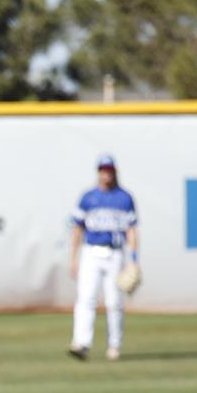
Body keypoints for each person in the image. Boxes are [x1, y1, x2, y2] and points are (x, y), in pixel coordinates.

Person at [68, 154, 140, 361]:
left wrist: (134, 259)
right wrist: (73, 258)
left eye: (109, 170)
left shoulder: (124, 198)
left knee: (114, 301)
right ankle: (81, 343)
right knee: (86, 298)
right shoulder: (88, 197)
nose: (106, 173)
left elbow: (132, 230)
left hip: (115, 253)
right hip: (91, 252)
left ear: (114, 172)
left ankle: (114, 345)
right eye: (103, 170)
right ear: (98, 172)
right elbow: (77, 229)